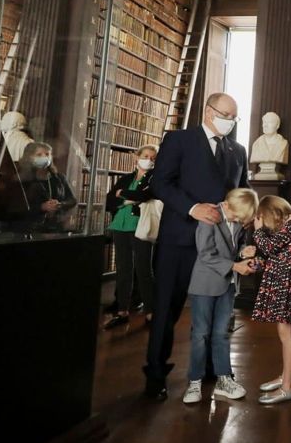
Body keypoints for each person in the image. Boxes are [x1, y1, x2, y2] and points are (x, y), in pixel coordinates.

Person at [146, 92, 249, 401]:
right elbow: (160, 183)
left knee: (215, 311)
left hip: (218, 246)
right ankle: (155, 374)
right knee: (166, 308)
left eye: (234, 117)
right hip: (179, 239)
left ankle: (211, 371)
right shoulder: (179, 140)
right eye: (225, 115)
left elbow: (243, 191)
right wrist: (192, 209)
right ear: (208, 112)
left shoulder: (238, 151)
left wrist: (246, 222)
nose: (229, 121)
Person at [183, 187, 259, 404]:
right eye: (236, 216)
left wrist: (244, 251)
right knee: (200, 334)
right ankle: (195, 381)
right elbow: (206, 254)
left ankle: (224, 379)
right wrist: (235, 265)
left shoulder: (237, 216)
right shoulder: (210, 217)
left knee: (221, 334)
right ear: (227, 205)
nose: (237, 221)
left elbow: (238, 243)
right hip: (205, 285)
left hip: (227, 285)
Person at [250, 195, 291, 404]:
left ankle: (288, 386)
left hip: (287, 284)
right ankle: (285, 376)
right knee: (282, 333)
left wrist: (258, 231)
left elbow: (270, 248)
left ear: (274, 213)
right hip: (281, 281)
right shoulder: (286, 225)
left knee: (285, 334)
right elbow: (273, 255)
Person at [104, 144, 159, 330]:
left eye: (153, 158)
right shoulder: (125, 178)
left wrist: (122, 196)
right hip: (120, 225)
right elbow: (108, 200)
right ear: (137, 157)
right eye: (145, 156)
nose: (149, 160)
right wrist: (128, 199)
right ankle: (122, 312)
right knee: (123, 268)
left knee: (144, 269)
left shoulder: (155, 179)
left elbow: (144, 196)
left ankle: (151, 312)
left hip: (140, 227)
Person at [17, 141, 77, 233]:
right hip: (30, 229)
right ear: (29, 157)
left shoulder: (59, 178)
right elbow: (17, 208)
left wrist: (60, 205)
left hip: (55, 227)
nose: (44, 157)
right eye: (39, 154)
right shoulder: (22, 178)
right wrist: (42, 207)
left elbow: (72, 200)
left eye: (47, 154)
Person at [249, 111, 289, 180]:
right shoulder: (256, 144)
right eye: (264, 122)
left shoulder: (283, 144)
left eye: (269, 122)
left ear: (277, 125)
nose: (265, 125)